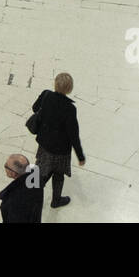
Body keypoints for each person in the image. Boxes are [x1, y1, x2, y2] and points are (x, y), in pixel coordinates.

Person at [30, 72, 86, 208]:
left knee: (41, 170)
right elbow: (73, 135)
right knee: (58, 174)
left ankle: (32, 197)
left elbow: (34, 108)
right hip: (61, 150)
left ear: (55, 84)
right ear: (70, 89)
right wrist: (80, 156)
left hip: (45, 144)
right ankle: (56, 200)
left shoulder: (46, 95)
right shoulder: (70, 109)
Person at [0, 155, 43, 223]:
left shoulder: (16, 202)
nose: (5, 166)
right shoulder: (35, 175)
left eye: (6, 166)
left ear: (13, 173)